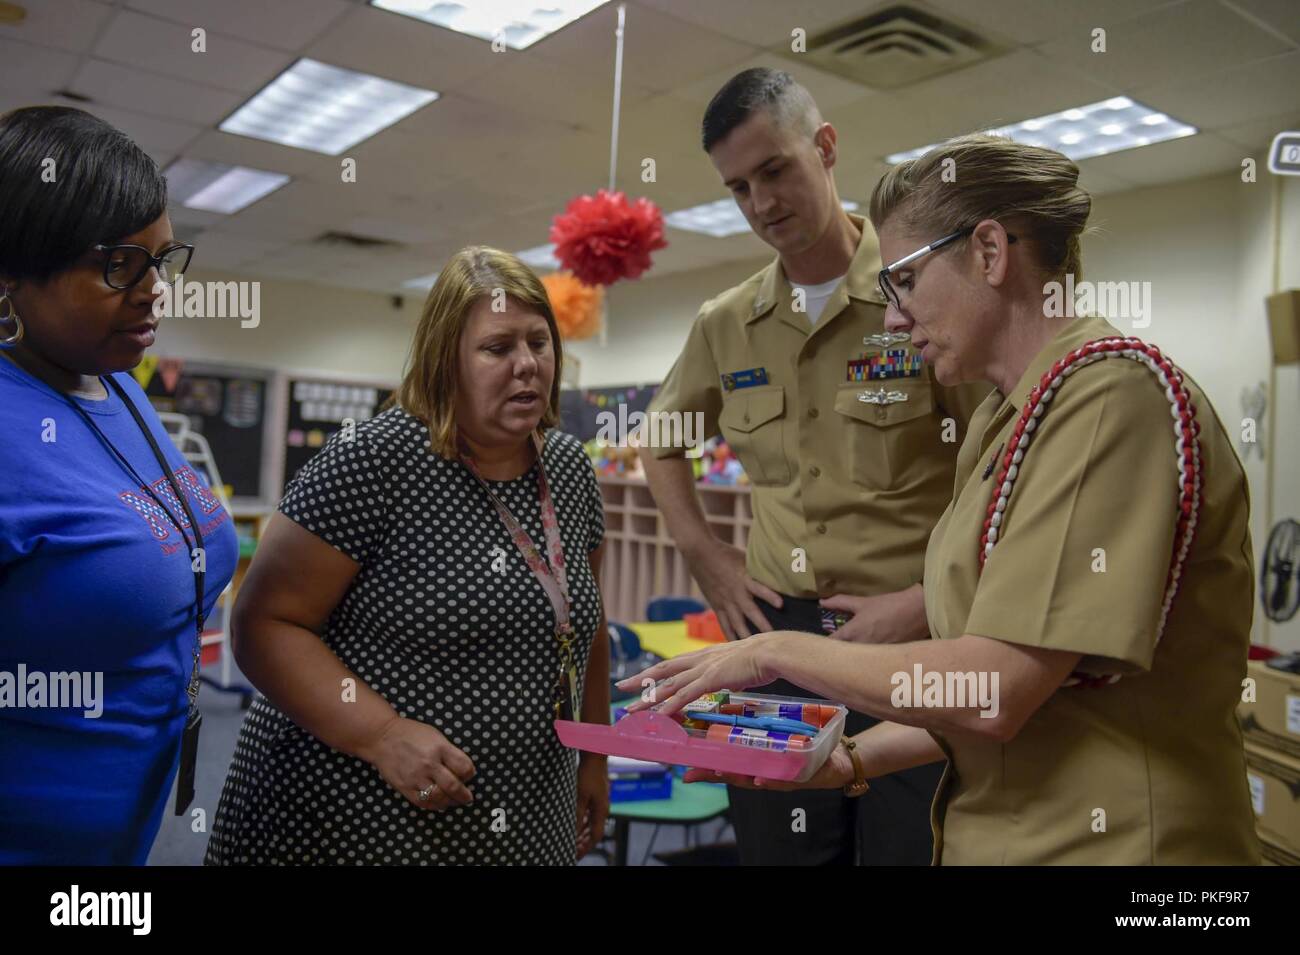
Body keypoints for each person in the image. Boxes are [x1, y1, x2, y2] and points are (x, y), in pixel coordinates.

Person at [622, 133, 1260, 865]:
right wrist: (849, 758)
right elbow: (1005, 677)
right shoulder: (1002, 419)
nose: (892, 317)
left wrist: (773, 651)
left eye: (904, 281)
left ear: (988, 252)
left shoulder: (1109, 399)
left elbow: (997, 687)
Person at [639, 68, 988, 865]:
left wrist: (926, 598)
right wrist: (705, 553)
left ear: (826, 147)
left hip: (913, 635)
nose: (761, 202)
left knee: (911, 851)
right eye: (738, 188)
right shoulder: (726, 324)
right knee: (780, 852)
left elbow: (1003, 466)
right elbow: (661, 438)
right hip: (776, 637)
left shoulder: (918, 299)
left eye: (775, 170)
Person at [206, 246, 610, 865]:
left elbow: (588, 626)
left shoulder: (568, 468)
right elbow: (263, 624)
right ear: (446, 360)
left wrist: (594, 756)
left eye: (539, 342)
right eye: (498, 347)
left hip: (525, 817)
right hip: (355, 817)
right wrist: (382, 733)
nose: (528, 364)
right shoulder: (373, 461)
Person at [0, 106, 238, 864]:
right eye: (118, 264)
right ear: (12, 273)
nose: (153, 291)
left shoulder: (119, 386)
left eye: (161, 260)